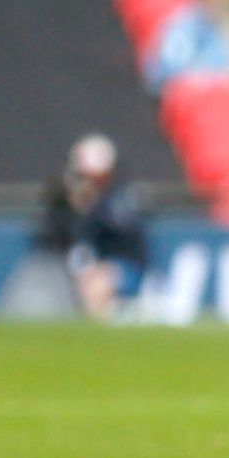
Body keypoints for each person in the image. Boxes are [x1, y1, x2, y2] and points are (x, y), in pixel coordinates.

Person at [35, 133, 149, 320]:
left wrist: (91, 208)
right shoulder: (71, 202)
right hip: (87, 268)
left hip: (125, 268)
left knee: (98, 283)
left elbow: (123, 230)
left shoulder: (121, 198)